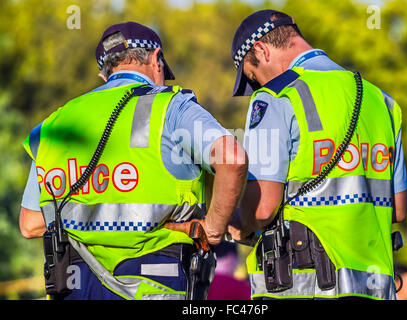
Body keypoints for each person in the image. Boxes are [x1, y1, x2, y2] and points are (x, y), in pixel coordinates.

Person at [19, 21, 248, 300]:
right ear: (156, 60)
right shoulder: (171, 106)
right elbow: (232, 158)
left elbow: (30, 224)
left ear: (104, 76)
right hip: (154, 284)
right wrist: (212, 230)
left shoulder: (54, 125)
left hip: (73, 286)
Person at [227, 10, 407, 300]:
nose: (257, 87)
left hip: (309, 285)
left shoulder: (276, 97)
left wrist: (240, 222)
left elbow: (262, 209)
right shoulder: (382, 101)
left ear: (261, 50)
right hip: (377, 287)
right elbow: (398, 209)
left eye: (253, 76)